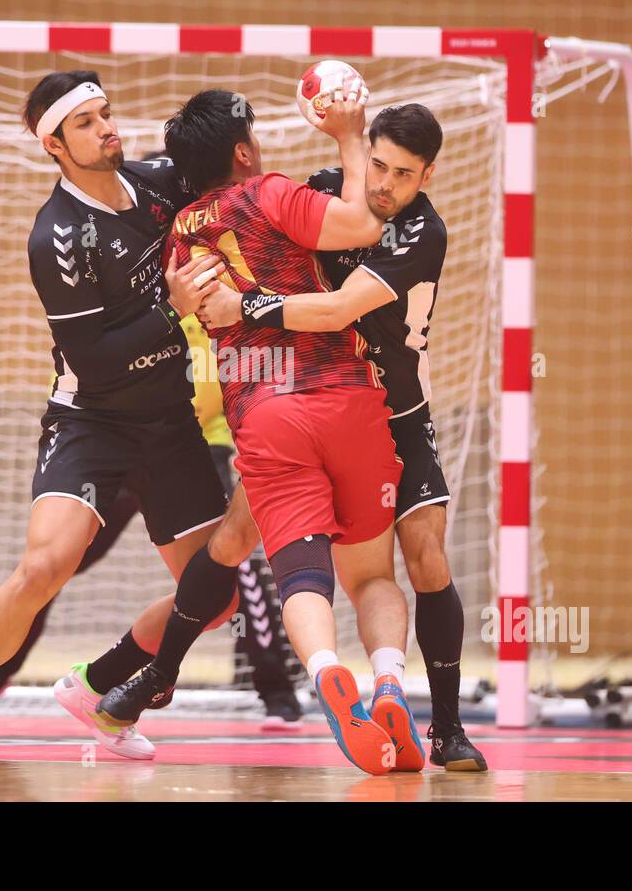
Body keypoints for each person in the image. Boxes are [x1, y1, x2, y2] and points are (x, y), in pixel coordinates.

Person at [0, 71, 254, 764]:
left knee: (214, 598)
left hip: (170, 421)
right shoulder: (56, 235)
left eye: (107, 114)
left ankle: (95, 687)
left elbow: (234, 192)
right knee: (44, 567)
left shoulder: (157, 185)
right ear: (55, 146)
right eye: (87, 124)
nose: (107, 128)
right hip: (91, 421)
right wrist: (174, 309)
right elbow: (93, 359)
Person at [97, 85, 425, 776]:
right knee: (370, 574)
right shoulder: (269, 194)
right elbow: (364, 222)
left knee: (297, 574)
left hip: (263, 415)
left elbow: (168, 313)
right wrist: (349, 133)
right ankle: (390, 682)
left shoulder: (179, 237)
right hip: (342, 394)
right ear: (243, 151)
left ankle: (327, 670)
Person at [197, 104, 486, 771]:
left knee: (426, 556)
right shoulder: (330, 188)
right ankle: (150, 677)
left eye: (402, 175)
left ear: (428, 176)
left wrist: (243, 307)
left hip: (397, 412)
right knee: (235, 535)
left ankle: (445, 727)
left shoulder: (422, 229)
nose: (383, 184)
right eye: (376, 164)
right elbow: (258, 238)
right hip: (318, 403)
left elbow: (335, 308)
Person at [0, 311, 304, 730]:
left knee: (232, 567)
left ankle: (276, 692)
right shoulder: (134, 308)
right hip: (119, 439)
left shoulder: (222, 310)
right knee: (51, 564)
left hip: (199, 447)